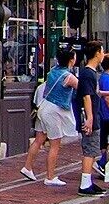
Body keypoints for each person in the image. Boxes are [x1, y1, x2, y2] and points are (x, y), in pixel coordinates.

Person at [21, 44, 78, 187]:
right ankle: (50, 176)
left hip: (44, 107)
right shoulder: (68, 76)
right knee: (55, 144)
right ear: (71, 60)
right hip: (54, 111)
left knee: (39, 139)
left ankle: (27, 167)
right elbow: (83, 88)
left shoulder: (52, 72)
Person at [75, 40, 105, 195]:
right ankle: (84, 184)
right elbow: (87, 97)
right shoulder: (87, 74)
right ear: (97, 53)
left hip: (94, 115)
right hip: (90, 116)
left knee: (93, 150)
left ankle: (88, 182)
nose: (104, 54)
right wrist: (90, 117)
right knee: (90, 150)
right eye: (102, 51)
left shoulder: (91, 73)